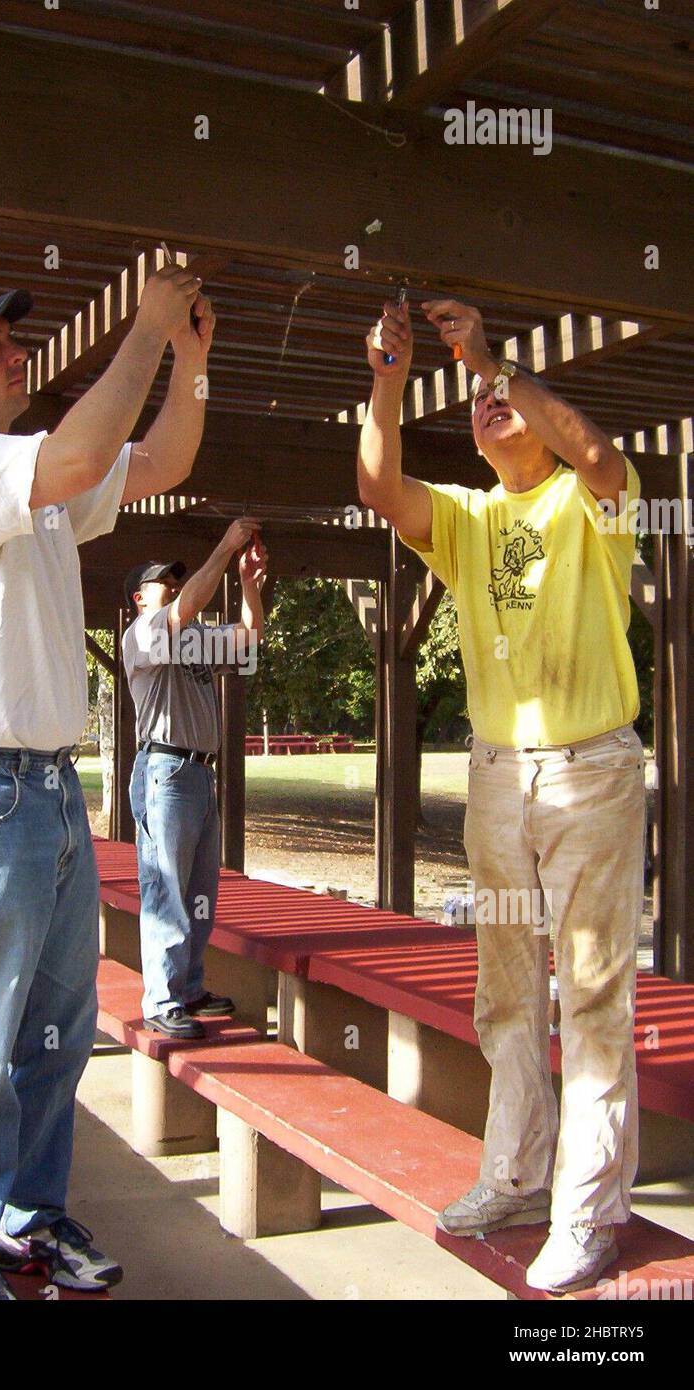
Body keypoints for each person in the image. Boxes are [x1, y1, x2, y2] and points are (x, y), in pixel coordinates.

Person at [0, 264, 215, 1299]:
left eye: (10, 340)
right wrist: (148, 328)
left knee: (57, 1030)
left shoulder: (30, 482)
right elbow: (78, 453)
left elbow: (158, 458)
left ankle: (28, 1217)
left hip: (44, 788)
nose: (14, 352)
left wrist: (191, 363)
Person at [357, 293, 646, 1293]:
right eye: (479, 401)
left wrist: (487, 359)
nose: (488, 406)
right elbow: (378, 484)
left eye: (504, 400)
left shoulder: (590, 500)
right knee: (508, 991)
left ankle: (592, 1207)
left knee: (596, 991)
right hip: (496, 773)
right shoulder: (472, 517)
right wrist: (391, 384)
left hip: (590, 770)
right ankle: (518, 1175)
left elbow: (599, 452)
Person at [122, 521, 267, 1038]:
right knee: (166, 889)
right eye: (166, 582)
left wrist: (249, 582)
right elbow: (183, 610)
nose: (178, 587)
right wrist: (226, 547)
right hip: (165, 771)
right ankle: (161, 998)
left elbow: (247, 642)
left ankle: (187, 989)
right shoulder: (141, 634)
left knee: (201, 890)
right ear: (142, 599)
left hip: (198, 775)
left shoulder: (196, 637)